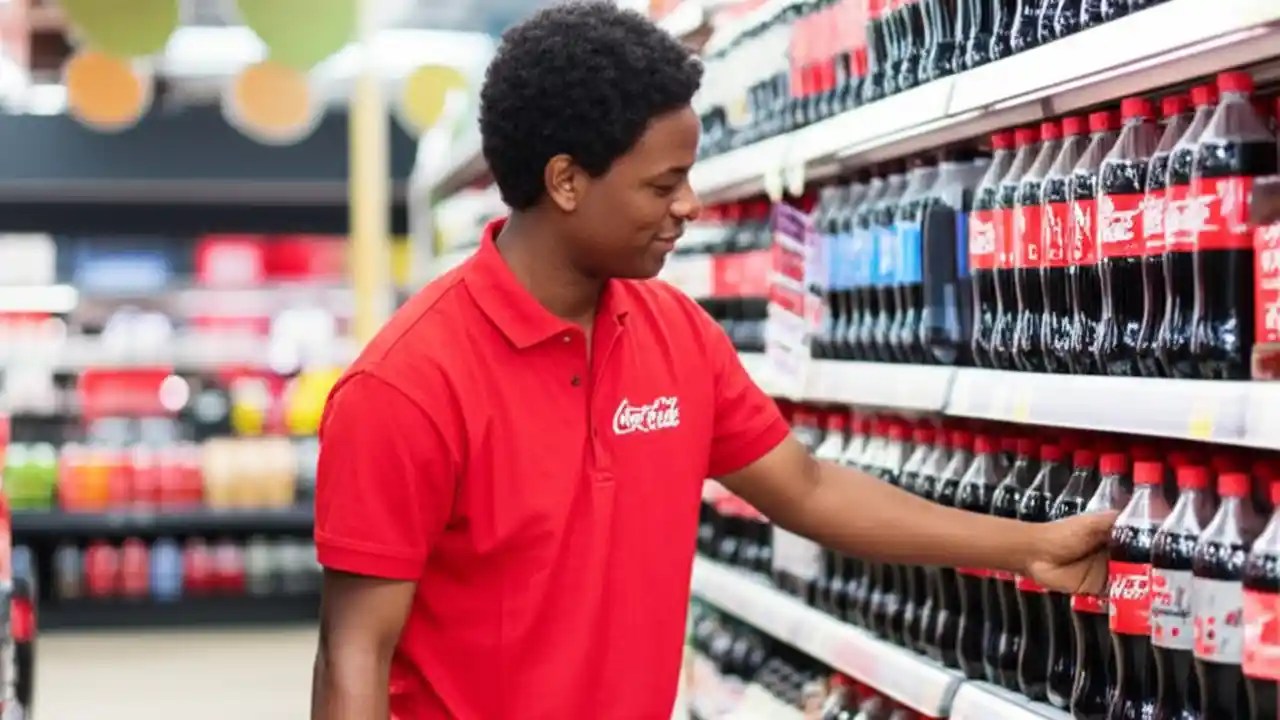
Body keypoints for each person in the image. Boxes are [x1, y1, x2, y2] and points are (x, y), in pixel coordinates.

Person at [309, 2, 1116, 718]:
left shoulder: (675, 333)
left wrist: (1026, 546)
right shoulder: (406, 386)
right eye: (665, 185)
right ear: (565, 182)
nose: (689, 207)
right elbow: (354, 655)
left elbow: (807, 489)